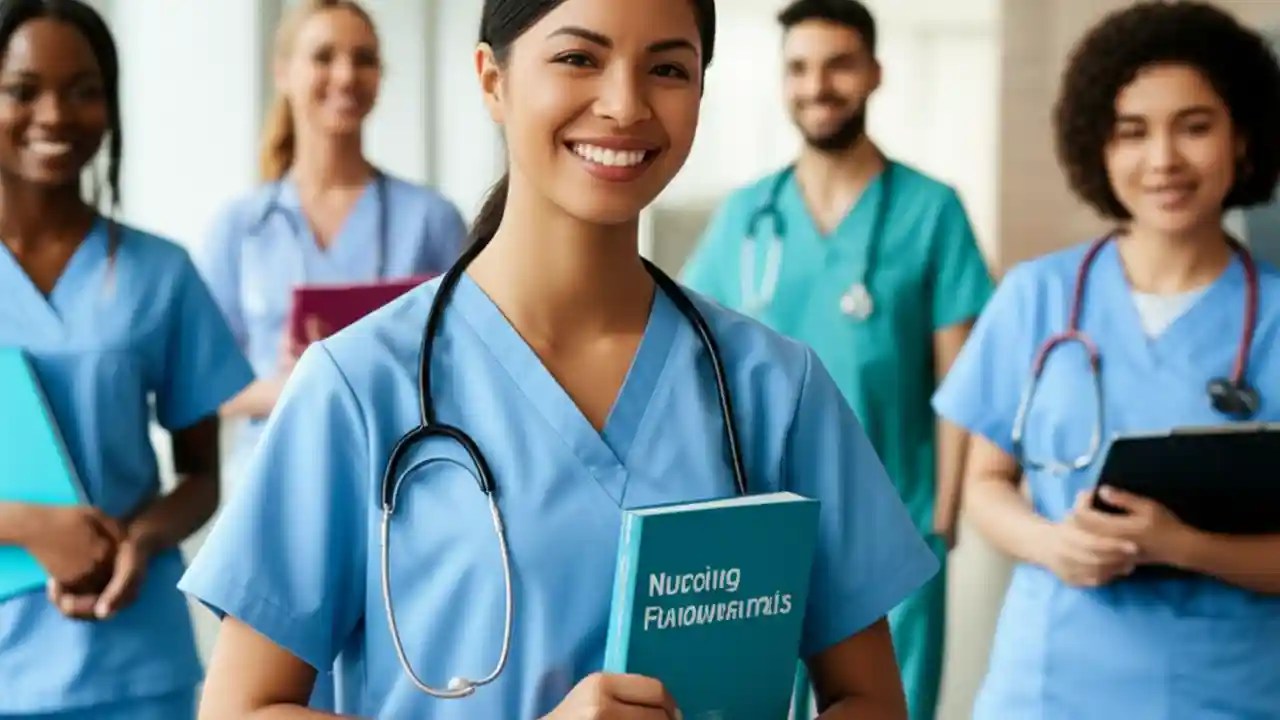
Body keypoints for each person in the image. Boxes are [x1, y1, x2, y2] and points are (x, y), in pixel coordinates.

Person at [177, 0, 940, 717]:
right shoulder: (358, 388)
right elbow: (240, 705)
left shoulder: (775, 389)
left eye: (668, 69)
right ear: (492, 79)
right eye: (579, 57)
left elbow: (869, 698)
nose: (626, 104)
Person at [931, 3, 1280, 717]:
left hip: (1225, 694)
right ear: (1099, 146)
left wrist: (1184, 546)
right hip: (1047, 687)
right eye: (1132, 131)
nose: (1163, 160)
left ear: (1242, 137)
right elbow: (984, 484)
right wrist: (1051, 543)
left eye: (1194, 126)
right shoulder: (1037, 296)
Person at [679, 1, 992, 717]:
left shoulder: (931, 209)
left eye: (838, 64)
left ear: (875, 73)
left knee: (888, 701)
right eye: (799, 67)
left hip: (894, 520)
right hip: (757, 520)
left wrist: (939, 521)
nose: (817, 85)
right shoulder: (747, 214)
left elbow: (961, 384)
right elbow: (698, 363)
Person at [0, 1, 253, 718]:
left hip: (134, 664)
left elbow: (201, 475)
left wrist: (142, 538)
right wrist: (26, 526)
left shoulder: (160, 274)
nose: (54, 113)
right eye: (23, 90)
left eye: (83, 89)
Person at [196, 0, 467, 478]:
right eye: (323, 57)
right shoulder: (241, 227)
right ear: (283, 72)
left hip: (394, 471)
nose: (345, 76)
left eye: (363, 59)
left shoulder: (430, 219)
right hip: (272, 471)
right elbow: (202, 382)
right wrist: (300, 384)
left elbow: (463, 363)